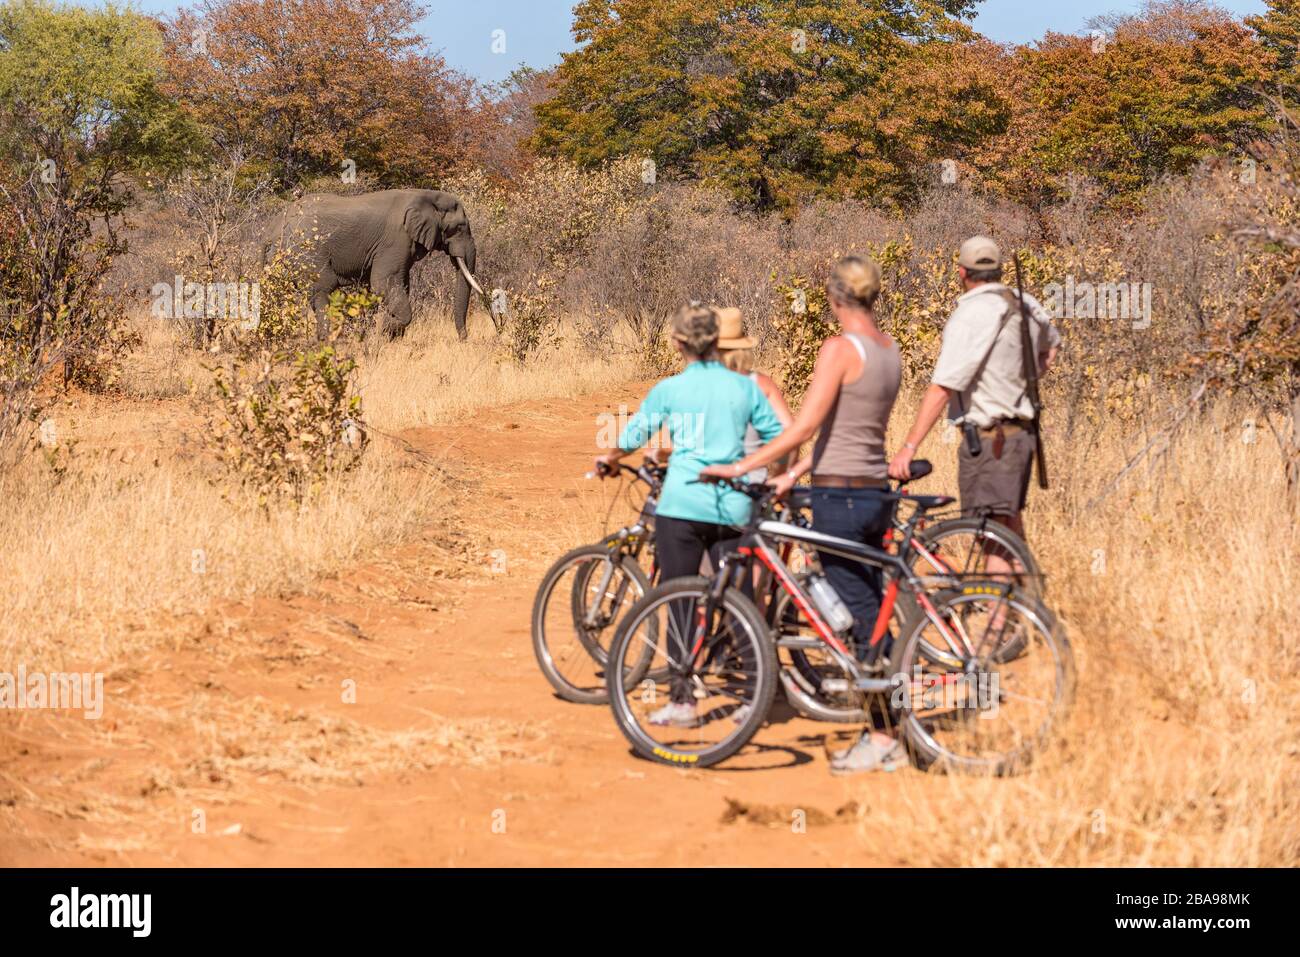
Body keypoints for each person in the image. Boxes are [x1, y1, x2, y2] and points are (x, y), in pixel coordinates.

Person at [701, 257, 905, 774]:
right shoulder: (888, 350)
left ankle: (884, 737)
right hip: (876, 489)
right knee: (872, 609)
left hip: (842, 496)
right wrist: (791, 476)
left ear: (837, 298)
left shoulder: (838, 349)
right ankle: (889, 724)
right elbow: (844, 429)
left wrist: (744, 464)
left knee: (859, 616)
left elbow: (806, 427)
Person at [595, 303, 784, 727]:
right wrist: (746, 470)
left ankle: (683, 700)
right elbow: (779, 439)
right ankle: (754, 696)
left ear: (678, 343)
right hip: (734, 504)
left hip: (681, 506)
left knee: (679, 598)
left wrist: (609, 457)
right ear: (717, 342)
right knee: (738, 603)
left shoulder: (670, 389)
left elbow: (635, 434)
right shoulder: (745, 389)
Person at [887, 236, 1060, 580]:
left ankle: (998, 624)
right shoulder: (1025, 302)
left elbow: (942, 387)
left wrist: (908, 448)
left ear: (962, 272)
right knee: (1008, 526)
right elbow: (1050, 349)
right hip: (1022, 435)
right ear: (998, 270)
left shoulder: (969, 314)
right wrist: (1021, 379)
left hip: (991, 440)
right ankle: (1026, 608)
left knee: (990, 534)